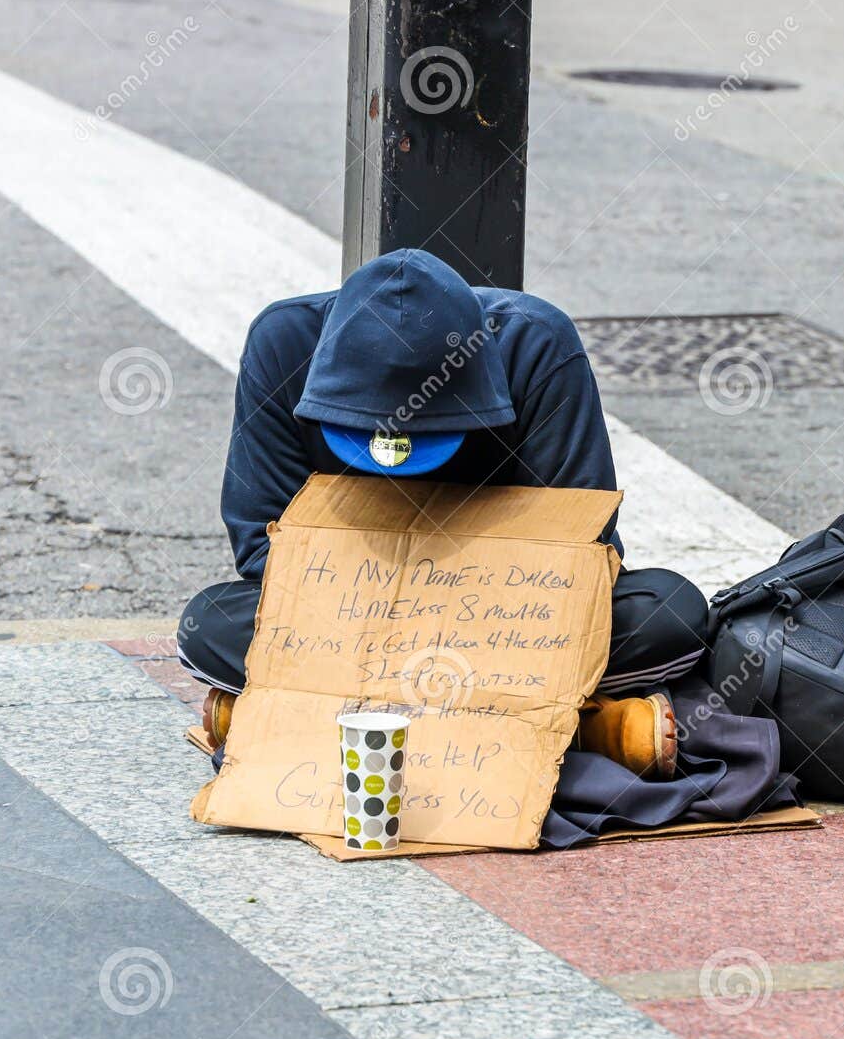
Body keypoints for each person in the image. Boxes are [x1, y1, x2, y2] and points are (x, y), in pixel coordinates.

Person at [177, 248, 709, 776]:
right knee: (210, 626)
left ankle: (315, 716)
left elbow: (582, 554)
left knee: (671, 613)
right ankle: (586, 728)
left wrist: (452, 621)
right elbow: (262, 546)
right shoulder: (283, 343)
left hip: (508, 620)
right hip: (348, 619)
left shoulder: (536, 345)